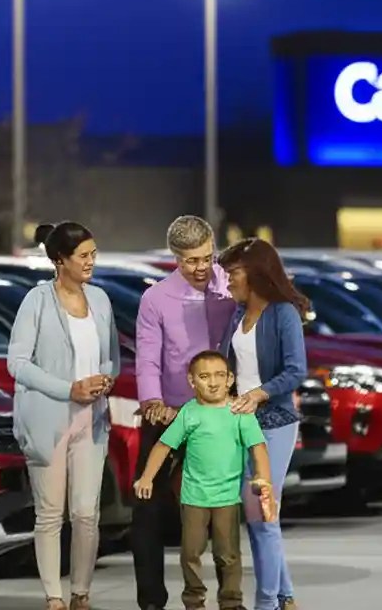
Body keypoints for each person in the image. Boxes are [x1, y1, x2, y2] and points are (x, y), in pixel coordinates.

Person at [8, 221, 121, 610]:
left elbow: (112, 356)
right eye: (83, 255)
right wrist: (68, 388)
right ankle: (54, 597)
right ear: (60, 260)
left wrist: (106, 378)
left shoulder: (101, 300)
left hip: (92, 421)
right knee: (51, 514)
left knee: (87, 513)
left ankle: (81, 594)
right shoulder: (37, 301)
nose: (92, 261)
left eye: (94, 253)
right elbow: (18, 364)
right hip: (48, 421)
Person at [131, 215, 236, 610]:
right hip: (169, 415)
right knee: (147, 510)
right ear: (175, 257)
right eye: (191, 260)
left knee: (224, 513)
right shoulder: (156, 299)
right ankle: (152, 601)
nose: (201, 268)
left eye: (207, 257)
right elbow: (147, 360)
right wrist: (153, 403)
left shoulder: (229, 287)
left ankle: (230, 597)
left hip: (218, 416)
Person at [134, 350, 275, 610]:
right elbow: (163, 446)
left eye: (220, 375)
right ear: (191, 381)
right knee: (190, 554)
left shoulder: (240, 412)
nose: (213, 382)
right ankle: (194, 600)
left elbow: (258, 448)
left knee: (228, 555)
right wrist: (147, 478)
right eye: (205, 376)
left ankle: (231, 602)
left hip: (227, 499)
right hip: (193, 498)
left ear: (230, 379)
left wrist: (263, 479)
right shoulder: (189, 412)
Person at [217, 238, 309, 610]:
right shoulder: (237, 316)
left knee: (262, 513)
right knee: (256, 518)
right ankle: (283, 596)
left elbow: (295, 370)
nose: (229, 282)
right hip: (239, 423)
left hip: (274, 422)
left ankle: (267, 602)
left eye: (234, 273)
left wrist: (259, 393)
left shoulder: (283, 313)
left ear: (255, 273)